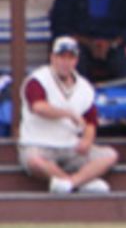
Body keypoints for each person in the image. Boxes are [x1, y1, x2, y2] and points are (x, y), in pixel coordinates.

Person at [17, 37, 117, 194]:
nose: (65, 62)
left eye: (70, 58)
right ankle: (80, 184)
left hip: (70, 146)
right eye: (61, 57)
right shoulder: (37, 80)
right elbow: (38, 107)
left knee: (109, 156)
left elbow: (90, 121)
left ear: (76, 60)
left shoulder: (84, 87)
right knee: (35, 161)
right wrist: (68, 114)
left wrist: (87, 140)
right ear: (52, 58)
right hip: (37, 143)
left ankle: (71, 183)